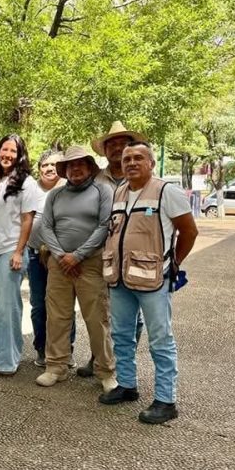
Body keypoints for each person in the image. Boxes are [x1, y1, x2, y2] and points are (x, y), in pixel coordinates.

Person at [100, 141, 198, 424]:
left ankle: (166, 400)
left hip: (154, 279)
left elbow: (189, 232)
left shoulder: (167, 191)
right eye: (127, 158)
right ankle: (127, 385)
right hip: (119, 278)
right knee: (121, 334)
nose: (130, 162)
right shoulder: (119, 192)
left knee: (160, 339)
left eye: (138, 158)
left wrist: (172, 264)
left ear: (151, 163)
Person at [36, 146, 116, 393]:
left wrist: (78, 255)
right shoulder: (55, 196)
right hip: (58, 265)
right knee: (57, 317)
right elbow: (46, 227)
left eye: (81, 164)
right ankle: (56, 367)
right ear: (65, 170)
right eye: (71, 165)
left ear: (90, 167)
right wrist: (61, 256)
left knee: (97, 318)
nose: (76, 168)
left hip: (90, 263)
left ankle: (106, 371)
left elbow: (105, 225)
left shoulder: (102, 191)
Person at [77, 121, 147, 378]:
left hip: (136, 255)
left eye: (122, 144)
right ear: (105, 151)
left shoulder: (143, 178)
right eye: (112, 145)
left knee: (133, 314)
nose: (117, 149)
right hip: (100, 254)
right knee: (100, 310)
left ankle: (122, 366)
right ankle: (99, 359)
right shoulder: (96, 179)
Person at [0, 134, 38, 375]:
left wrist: (18, 251)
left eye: (13, 151)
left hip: (10, 250)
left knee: (7, 307)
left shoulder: (27, 182)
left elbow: (27, 220)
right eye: (4, 149)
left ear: (20, 155)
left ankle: (8, 360)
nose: (8, 155)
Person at [26, 151, 76, 368]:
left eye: (55, 164)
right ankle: (41, 349)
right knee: (39, 305)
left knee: (64, 306)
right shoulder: (30, 188)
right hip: (35, 254)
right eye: (45, 165)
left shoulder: (70, 188)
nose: (49, 168)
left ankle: (66, 350)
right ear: (39, 168)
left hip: (60, 256)